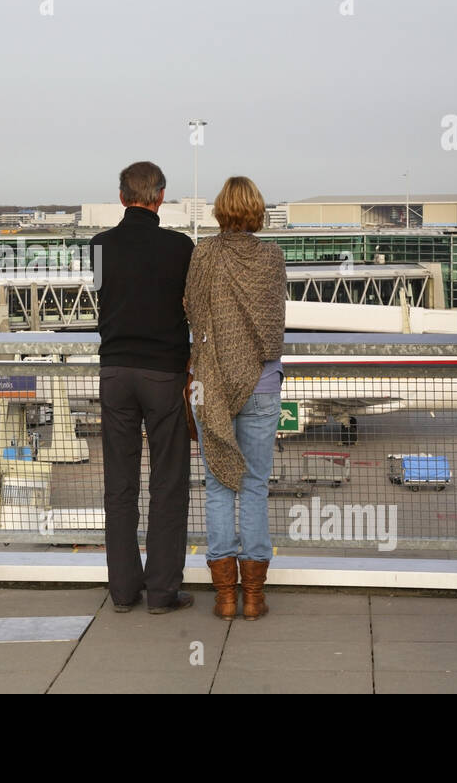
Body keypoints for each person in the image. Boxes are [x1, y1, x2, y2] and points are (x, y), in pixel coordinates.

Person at [91, 161, 196, 614]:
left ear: (121, 197)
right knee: (168, 483)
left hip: (115, 373)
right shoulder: (180, 247)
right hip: (163, 374)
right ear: (160, 197)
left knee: (119, 484)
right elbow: (187, 305)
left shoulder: (98, 245)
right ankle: (162, 592)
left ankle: (122, 591)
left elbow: (103, 296)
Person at [185, 176, 286, 620]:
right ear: (258, 210)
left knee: (218, 487)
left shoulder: (204, 251)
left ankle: (225, 597)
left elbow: (191, 307)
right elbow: (273, 323)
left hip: (213, 384)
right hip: (262, 385)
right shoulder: (273, 256)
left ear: (221, 210)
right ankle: (253, 597)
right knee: (256, 487)